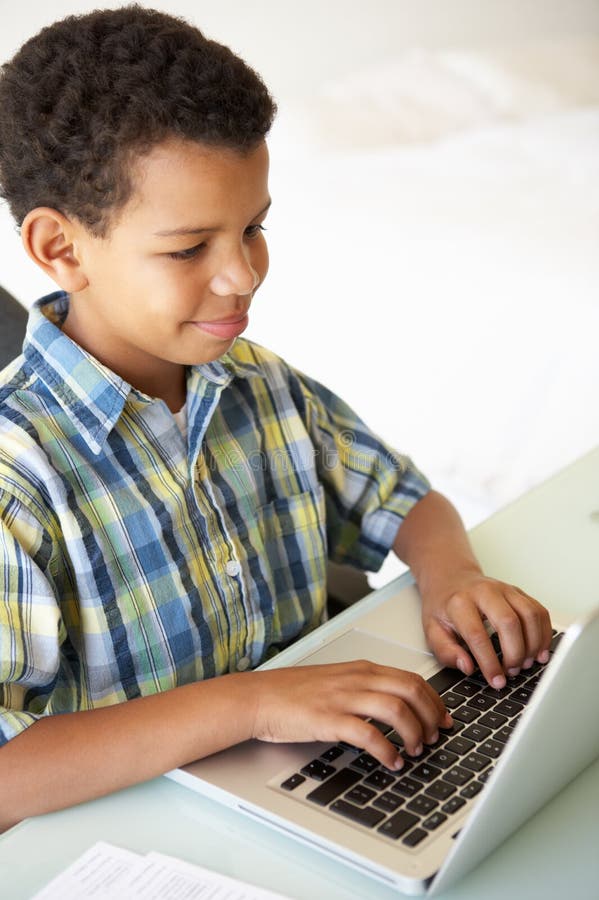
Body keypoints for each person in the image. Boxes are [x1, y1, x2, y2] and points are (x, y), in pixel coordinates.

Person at [0, 5, 551, 831]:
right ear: (61, 248)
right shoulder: (18, 477)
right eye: (190, 249)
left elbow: (401, 498)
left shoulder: (256, 383)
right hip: (141, 836)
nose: (243, 276)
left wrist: (452, 576)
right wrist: (252, 704)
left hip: (312, 787)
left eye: (254, 228)